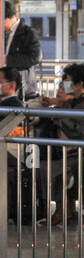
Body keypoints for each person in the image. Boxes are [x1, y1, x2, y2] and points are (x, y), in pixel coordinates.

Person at [36, 63, 84, 226]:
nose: (64, 85)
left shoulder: (79, 105)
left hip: (77, 154)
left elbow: (77, 131)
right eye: (63, 81)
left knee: (59, 170)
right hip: (67, 153)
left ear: (80, 85)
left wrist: (60, 113)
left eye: (69, 81)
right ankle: (63, 209)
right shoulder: (69, 104)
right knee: (42, 165)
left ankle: (63, 210)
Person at [4, 0, 41, 98]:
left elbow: (35, 58)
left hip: (24, 89)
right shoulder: (2, 34)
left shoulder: (29, 33)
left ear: (12, 17)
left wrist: (7, 60)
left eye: (2, 20)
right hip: (8, 87)